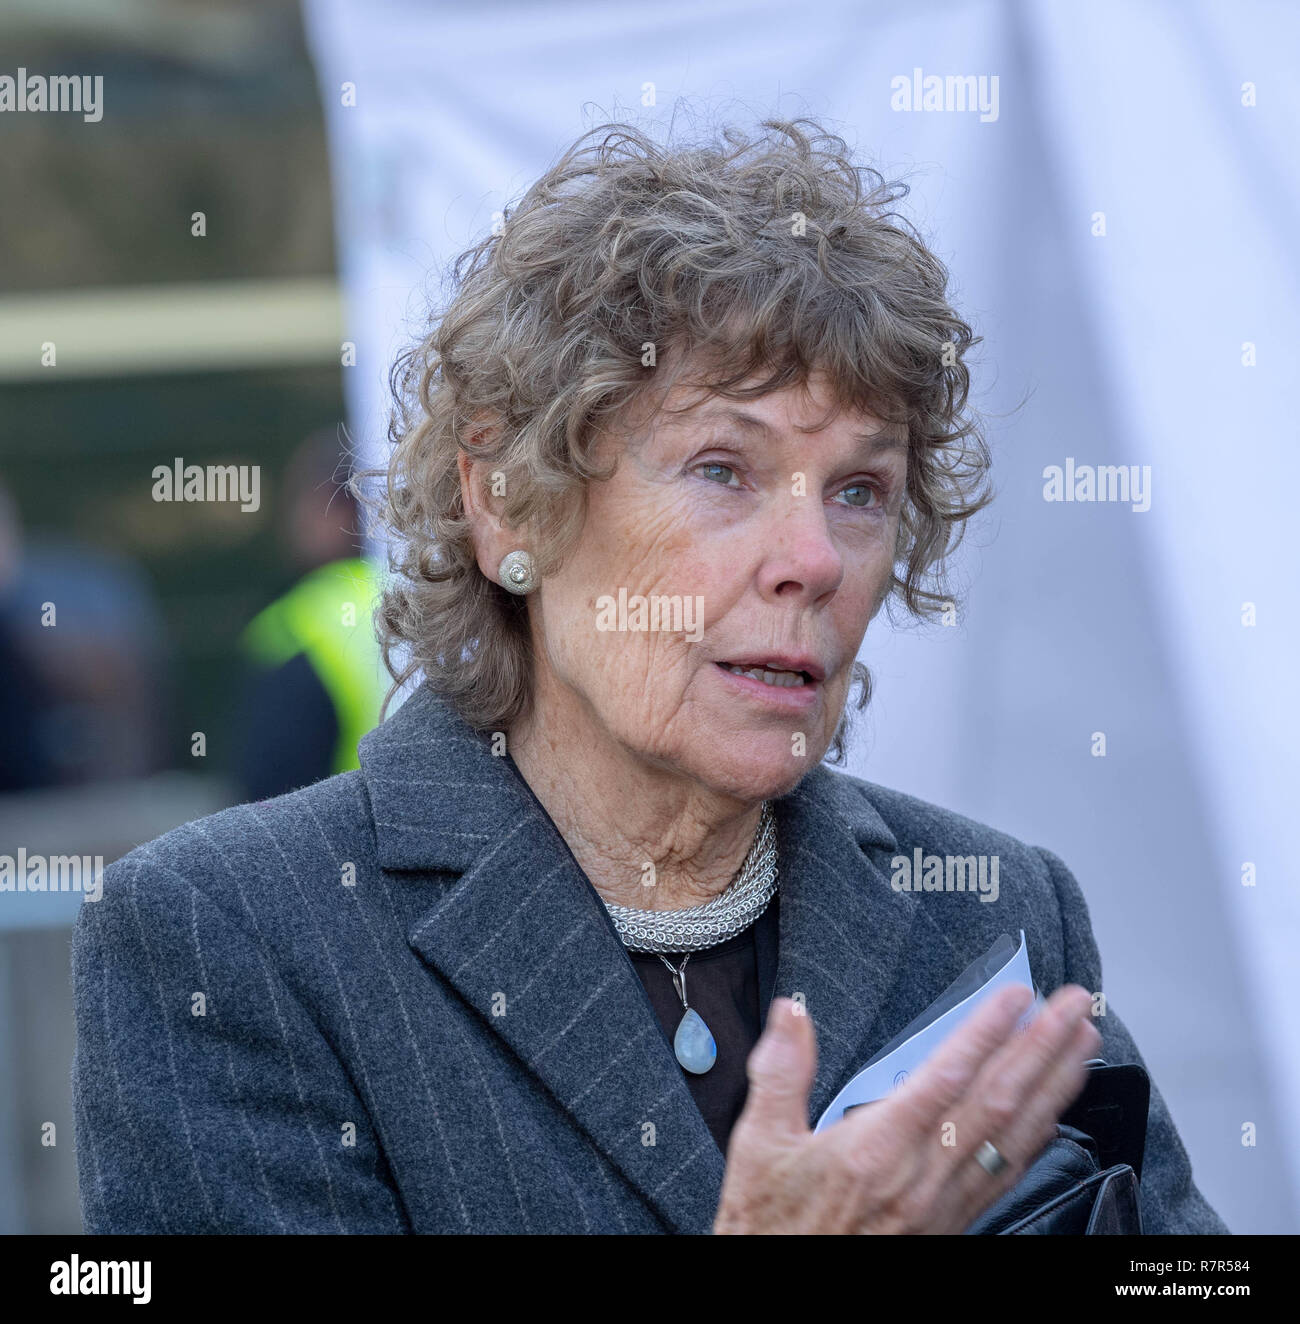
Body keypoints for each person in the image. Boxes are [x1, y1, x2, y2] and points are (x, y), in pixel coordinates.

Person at [70, 118, 1227, 1234]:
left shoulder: (991, 908)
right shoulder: (234, 937)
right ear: (507, 499)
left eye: (860, 491)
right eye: (723, 468)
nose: (815, 559)